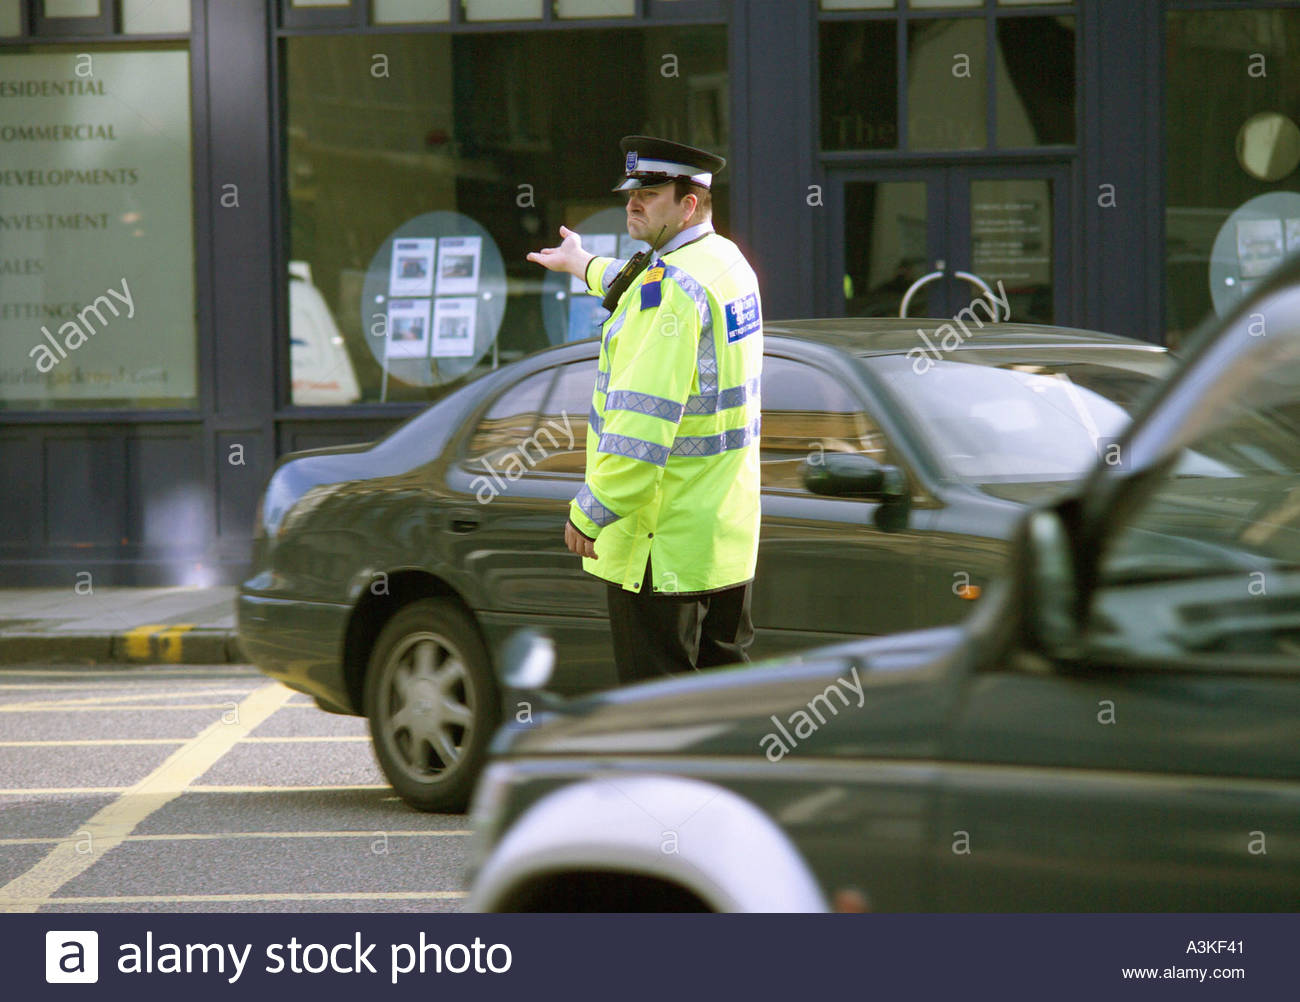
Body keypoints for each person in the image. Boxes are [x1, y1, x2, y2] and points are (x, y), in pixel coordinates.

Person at [527, 136, 764, 685]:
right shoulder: (727, 263)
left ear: (688, 204)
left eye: (650, 194)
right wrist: (582, 264)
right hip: (721, 539)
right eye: (632, 193)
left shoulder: (673, 289)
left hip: (662, 548)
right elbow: (641, 285)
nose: (633, 203)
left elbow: (642, 427)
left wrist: (592, 511)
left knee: (658, 712)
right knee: (723, 705)